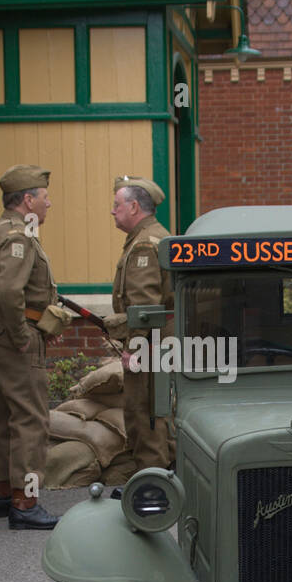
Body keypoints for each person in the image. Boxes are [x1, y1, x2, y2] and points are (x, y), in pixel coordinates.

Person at [0, 165, 71, 529]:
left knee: (5, 418)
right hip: (14, 335)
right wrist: (22, 336)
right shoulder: (19, 237)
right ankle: (26, 503)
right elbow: (8, 291)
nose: (50, 204)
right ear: (28, 200)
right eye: (45, 198)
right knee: (31, 419)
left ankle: (2, 494)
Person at [106, 176, 174, 471]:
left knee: (144, 411)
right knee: (158, 409)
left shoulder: (145, 245)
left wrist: (134, 348)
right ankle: (165, 474)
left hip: (149, 344)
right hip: (158, 341)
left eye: (117, 205)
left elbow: (144, 306)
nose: (113, 211)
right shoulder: (152, 237)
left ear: (134, 207)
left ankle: (151, 484)